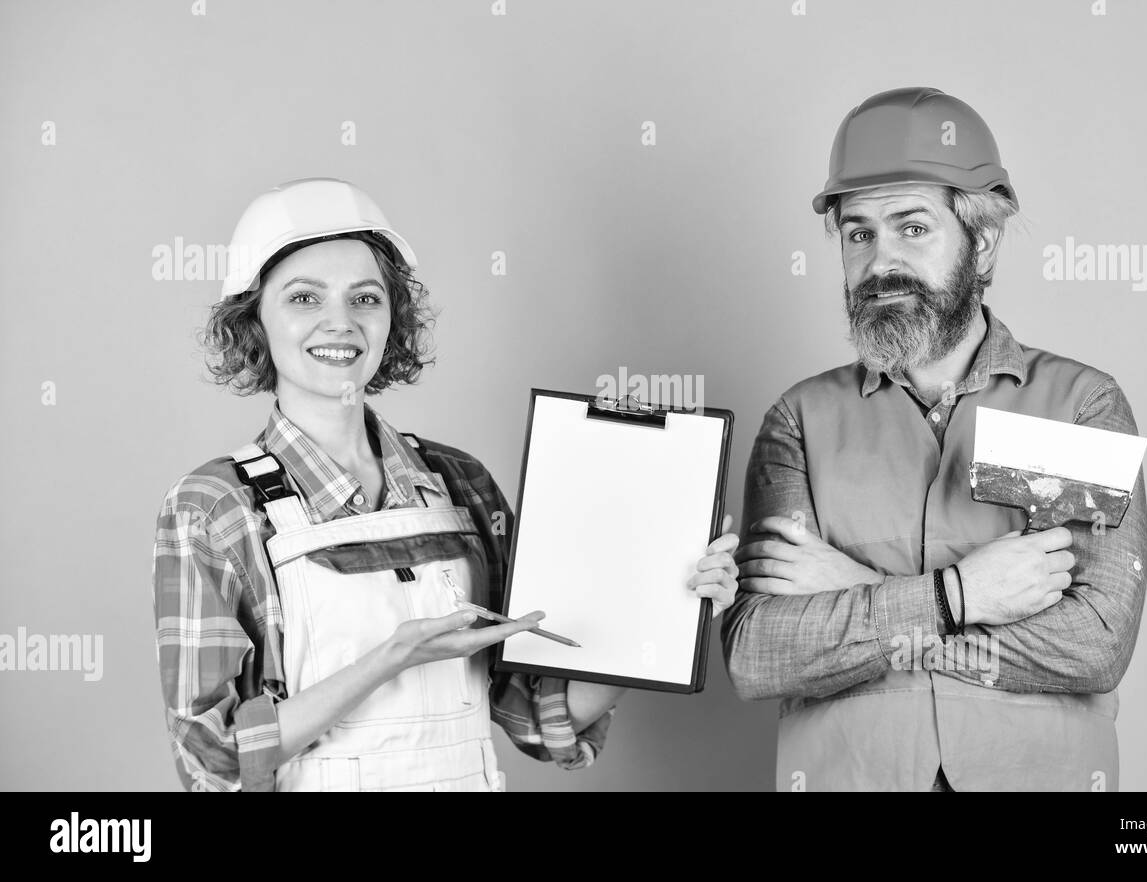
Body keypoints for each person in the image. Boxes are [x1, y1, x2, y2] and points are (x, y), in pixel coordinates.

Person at [151, 178, 740, 792]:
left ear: (391, 317)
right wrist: (390, 659)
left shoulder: (460, 485)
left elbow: (537, 715)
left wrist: (672, 608)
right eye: (304, 298)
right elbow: (212, 757)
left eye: (366, 298)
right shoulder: (214, 507)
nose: (340, 323)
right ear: (255, 320)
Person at [721, 88, 1147, 791]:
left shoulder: (1075, 408)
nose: (880, 261)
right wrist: (956, 595)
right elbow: (761, 653)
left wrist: (861, 592)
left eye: (912, 228)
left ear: (981, 239)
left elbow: (1093, 645)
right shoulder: (800, 421)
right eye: (858, 233)